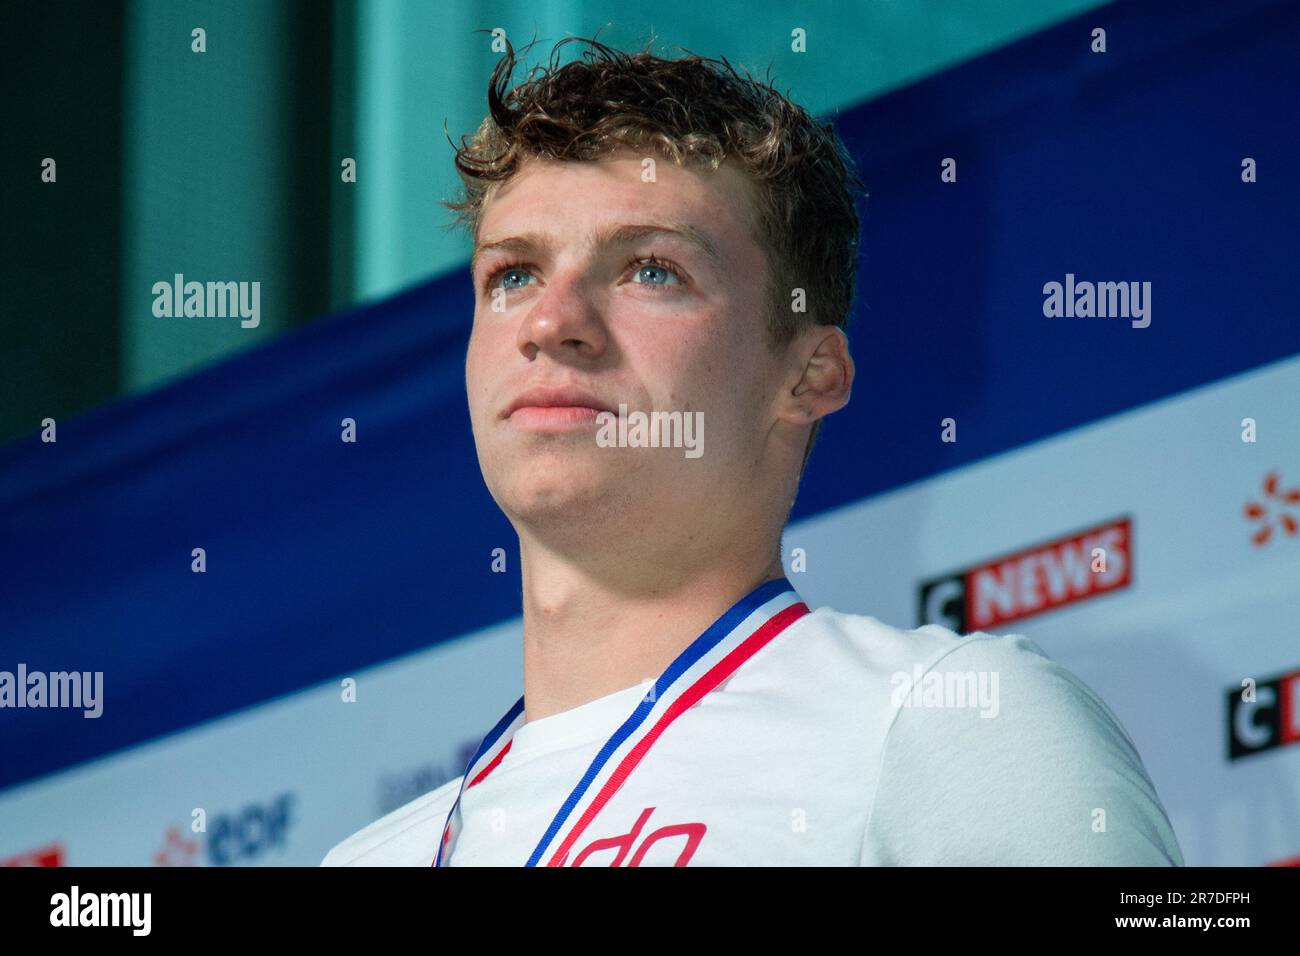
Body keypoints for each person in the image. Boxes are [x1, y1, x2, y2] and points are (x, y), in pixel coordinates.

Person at [321, 36, 1183, 867]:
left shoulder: (945, 724)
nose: (551, 322)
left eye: (652, 269)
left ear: (808, 375)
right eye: (513, 275)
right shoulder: (369, 858)